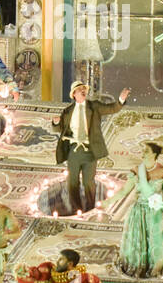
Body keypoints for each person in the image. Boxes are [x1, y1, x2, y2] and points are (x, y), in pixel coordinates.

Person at [52, 81, 130, 214]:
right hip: (74, 151)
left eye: (84, 89)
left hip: (90, 150)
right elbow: (60, 129)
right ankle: (76, 208)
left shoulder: (94, 106)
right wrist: (55, 123)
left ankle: (90, 207)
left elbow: (112, 108)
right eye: (79, 89)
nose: (82, 91)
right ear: (74, 94)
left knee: (89, 181)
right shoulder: (68, 111)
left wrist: (121, 99)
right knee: (72, 181)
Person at [104, 141, 163, 278]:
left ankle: (155, 267)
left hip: (155, 211)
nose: (143, 153)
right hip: (139, 210)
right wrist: (110, 201)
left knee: (155, 240)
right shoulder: (136, 170)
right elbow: (124, 190)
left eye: (146, 151)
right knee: (138, 239)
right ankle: (139, 266)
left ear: (154, 154)